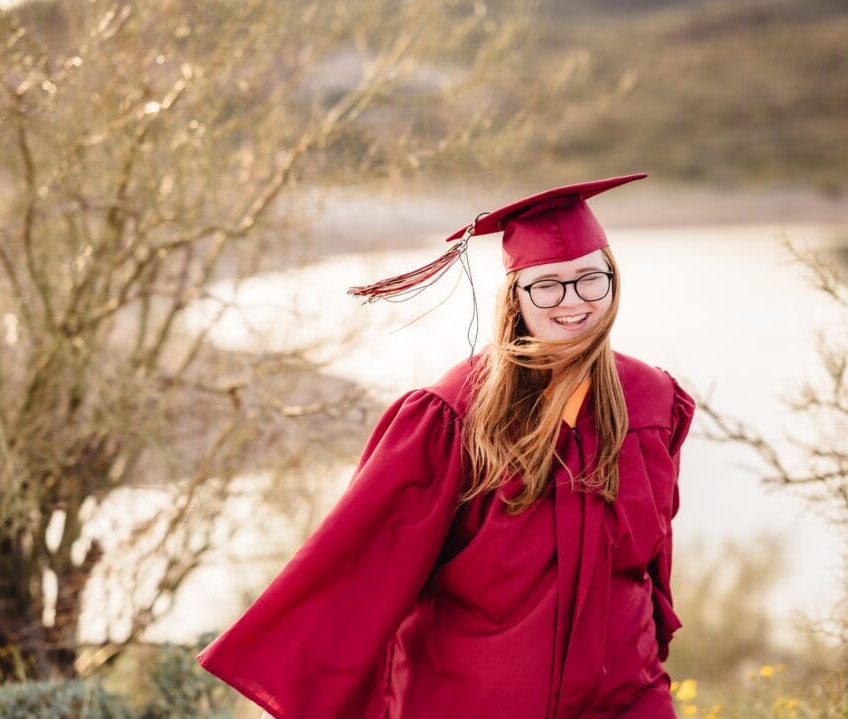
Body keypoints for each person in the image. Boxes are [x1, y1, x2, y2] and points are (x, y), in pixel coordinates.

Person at [197, 173, 696, 719]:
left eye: (588, 280)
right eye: (546, 285)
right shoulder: (454, 417)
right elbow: (361, 563)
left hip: (622, 699)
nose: (571, 302)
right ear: (516, 298)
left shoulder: (652, 403)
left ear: (612, 280)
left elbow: (651, 567)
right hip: (471, 701)